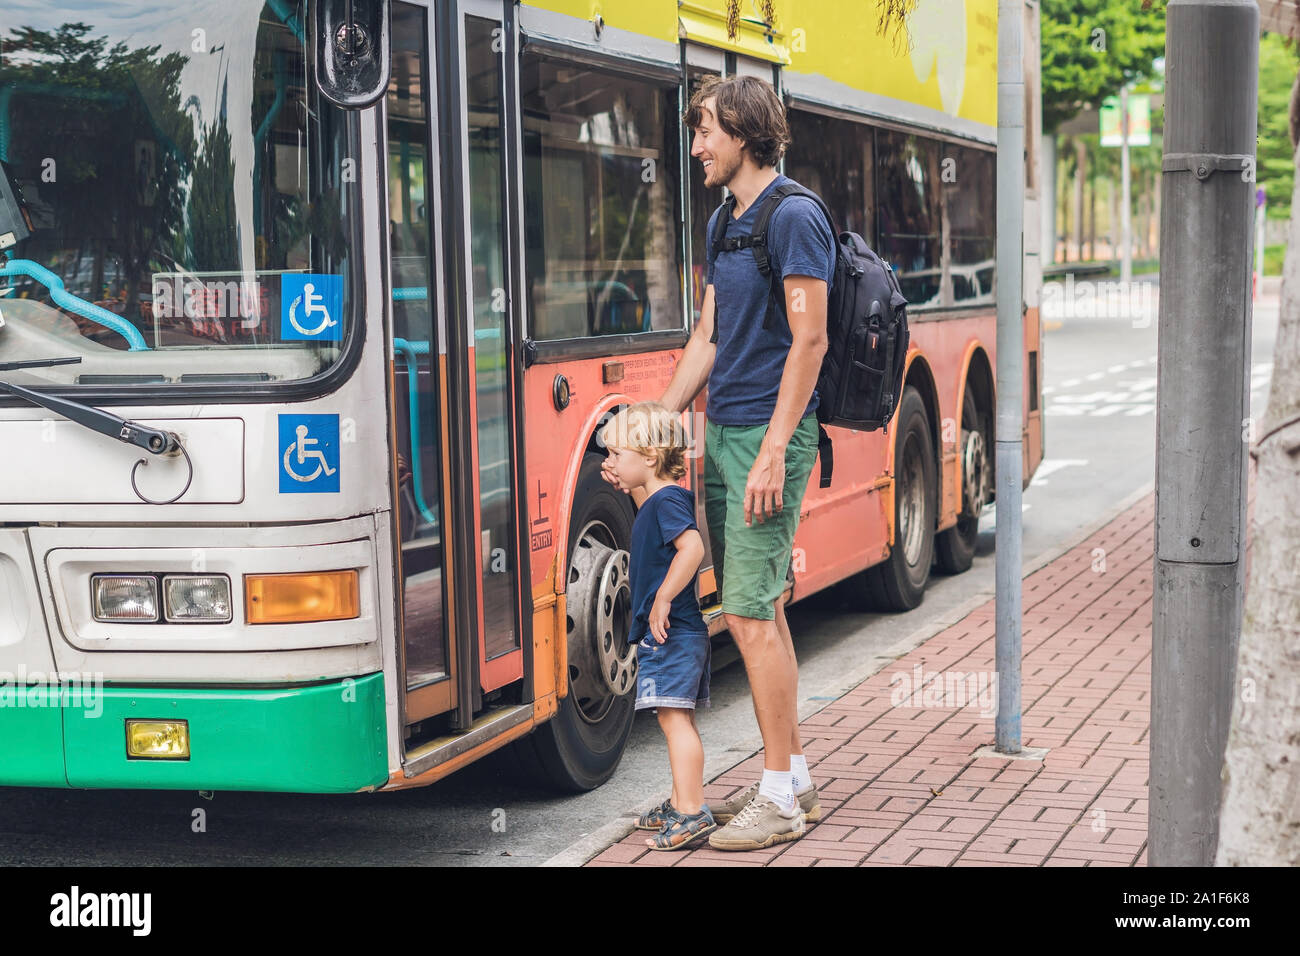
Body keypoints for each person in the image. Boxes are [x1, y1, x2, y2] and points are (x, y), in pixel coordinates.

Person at [602, 74, 834, 851]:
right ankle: (791, 775)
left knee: (743, 613)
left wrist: (773, 449)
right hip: (723, 432)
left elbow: (810, 340)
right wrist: (659, 419)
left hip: (770, 437)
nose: (695, 146)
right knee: (760, 609)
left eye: (704, 131)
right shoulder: (722, 221)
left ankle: (777, 798)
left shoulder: (794, 216)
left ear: (742, 132)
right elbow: (708, 334)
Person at [600, 401, 715, 851]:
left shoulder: (665, 502)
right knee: (676, 718)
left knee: (673, 720)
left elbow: (692, 549)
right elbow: (646, 501)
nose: (607, 464)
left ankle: (691, 812)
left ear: (649, 457)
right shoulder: (659, 497)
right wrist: (627, 484)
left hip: (674, 631)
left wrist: (663, 598)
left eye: (615, 455)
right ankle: (680, 800)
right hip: (675, 633)